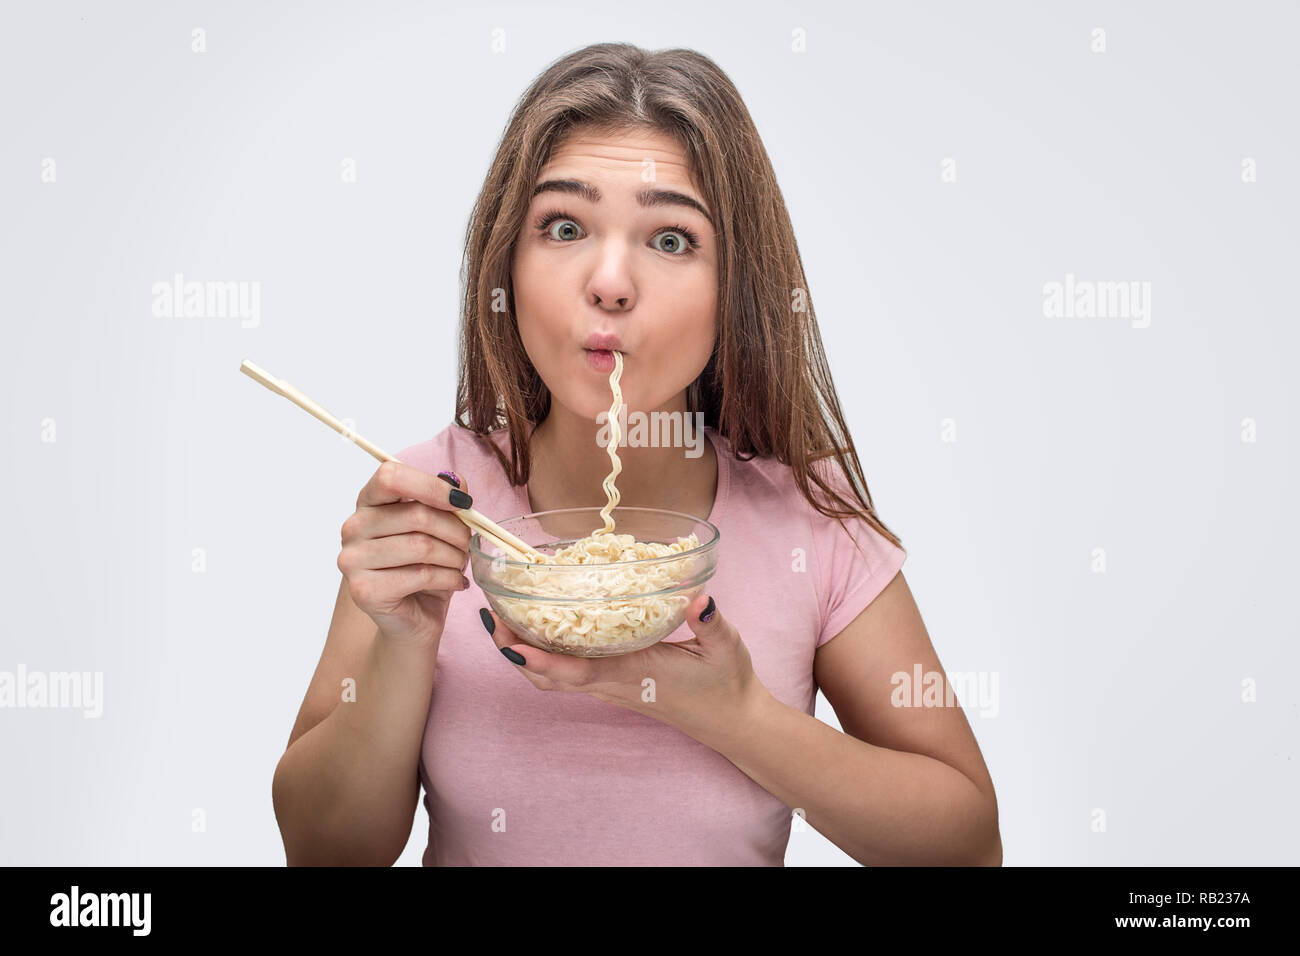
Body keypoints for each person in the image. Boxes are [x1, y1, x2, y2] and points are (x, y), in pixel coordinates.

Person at [272, 42, 1001, 867]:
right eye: (565, 227)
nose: (610, 281)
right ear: (507, 260)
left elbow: (968, 847)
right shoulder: (432, 503)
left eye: (671, 240)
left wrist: (735, 714)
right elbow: (322, 852)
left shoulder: (808, 524)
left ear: (739, 285)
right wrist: (404, 643)